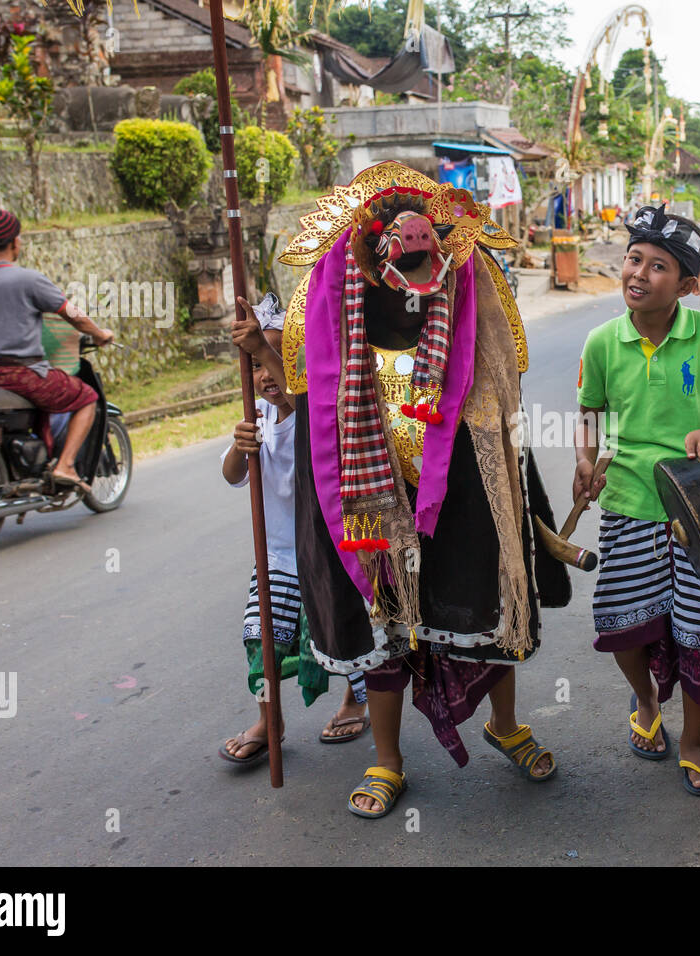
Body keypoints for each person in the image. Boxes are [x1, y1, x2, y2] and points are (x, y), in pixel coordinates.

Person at [274, 162, 571, 818]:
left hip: (459, 489)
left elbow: (500, 416)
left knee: (487, 604)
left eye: (426, 262)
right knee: (383, 625)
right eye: (399, 268)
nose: (413, 286)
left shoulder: (471, 298)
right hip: (368, 490)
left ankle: (505, 723)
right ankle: (387, 760)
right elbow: (312, 422)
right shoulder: (327, 307)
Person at [576, 203, 700, 796]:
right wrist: (583, 459)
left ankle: (695, 742)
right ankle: (646, 703)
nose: (639, 274)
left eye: (658, 266)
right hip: (626, 503)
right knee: (624, 623)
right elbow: (591, 414)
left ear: (688, 284)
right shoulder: (602, 341)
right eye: (633, 259)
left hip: (698, 509)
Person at [216, 295, 371, 766]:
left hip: (326, 551)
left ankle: (356, 699)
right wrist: (240, 447)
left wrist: (263, 349)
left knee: (344, 633)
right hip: (279, 554)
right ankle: (270, 720)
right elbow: (231, 475)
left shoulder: (316, 414)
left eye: (278, 359)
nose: (266, 375)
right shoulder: (256, 420)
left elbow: (310, 423)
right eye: (256, 364)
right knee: (261, 640)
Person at [0, 209, 115, 489]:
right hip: (24, 377)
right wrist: (99, 334)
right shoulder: (28, 279)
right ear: (15, 242)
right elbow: (71, 313)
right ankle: (65, 466)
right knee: (87, 397)